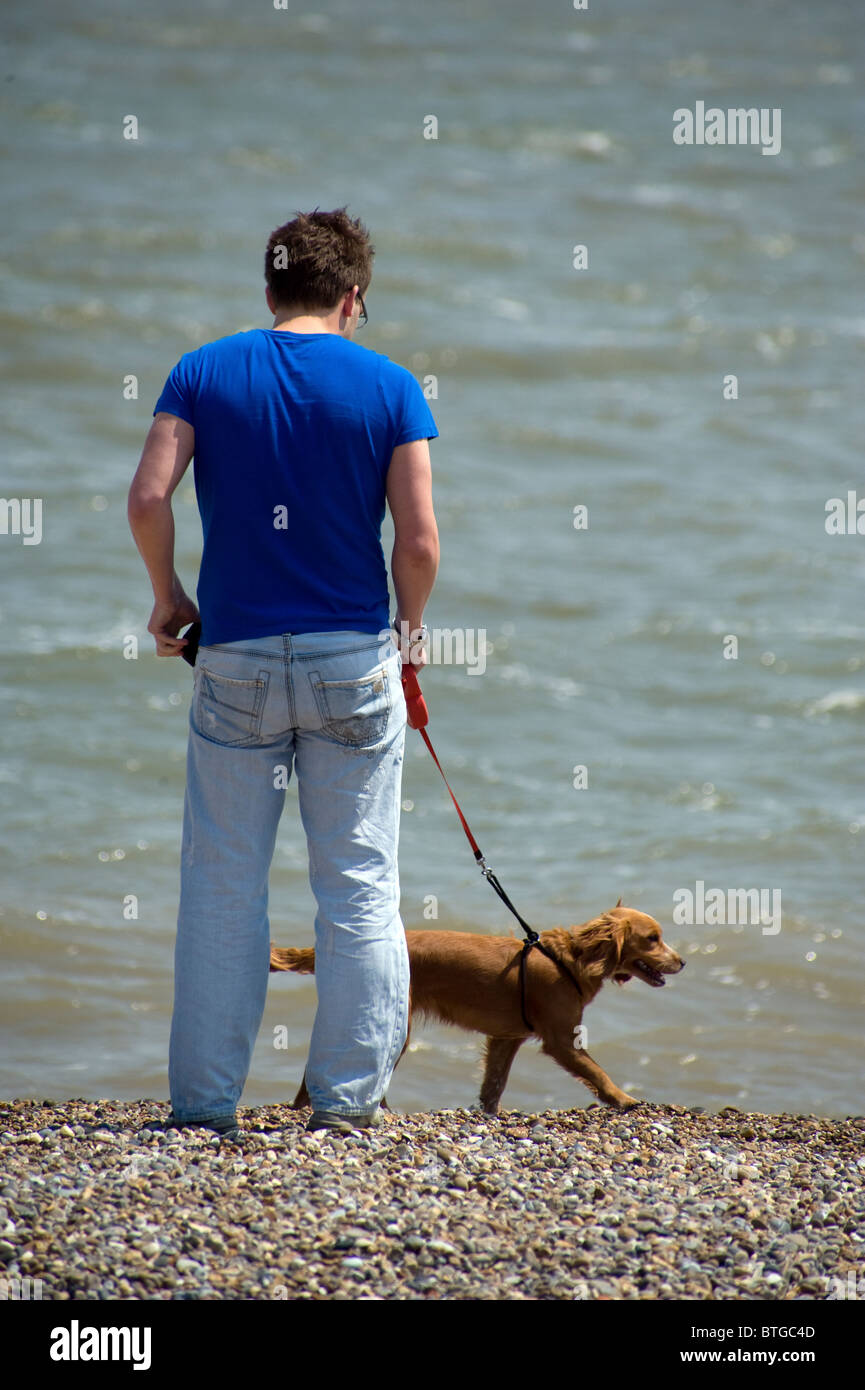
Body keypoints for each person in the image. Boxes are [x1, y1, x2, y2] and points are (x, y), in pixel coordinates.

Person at [127, 208, 439, 1138]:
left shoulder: (202, 371)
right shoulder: (390, 386)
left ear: (269, 291)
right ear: (352, 297)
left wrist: (167, 595)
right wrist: (409, 635)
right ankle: (346, 1108)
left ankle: (203, 1109)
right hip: (351, 658)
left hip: (235, 658)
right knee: (359, 883)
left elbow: (148, 497)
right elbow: (417, 543)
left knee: (223, 882)